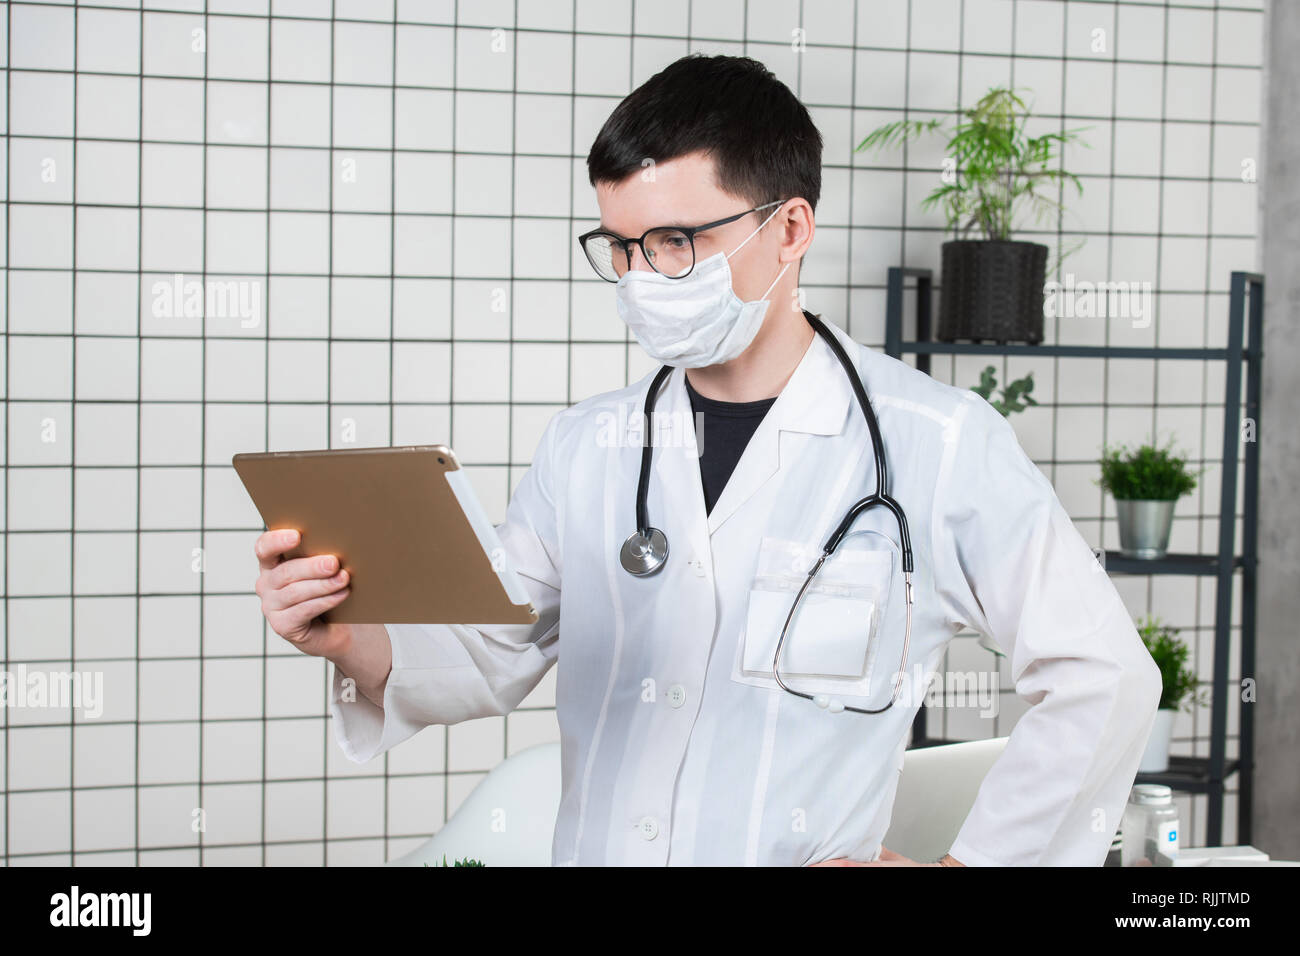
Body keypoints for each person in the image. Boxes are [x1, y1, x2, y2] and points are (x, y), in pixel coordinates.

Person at [253, 54, 1161, 866]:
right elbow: (495, 648)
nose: (645, 277)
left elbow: (1105, 675)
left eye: (678, 242)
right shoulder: (589, 447)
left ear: (791, 228)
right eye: (622, 246)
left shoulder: (937, 441)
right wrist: (353, 640)